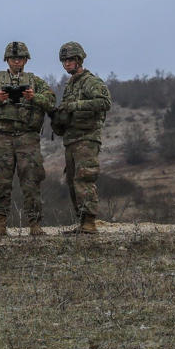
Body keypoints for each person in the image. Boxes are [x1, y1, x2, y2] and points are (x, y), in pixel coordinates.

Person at [0, 42, 55, 237]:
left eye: (20, 58)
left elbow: (51, 102)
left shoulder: (36, 82)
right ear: (7, 60)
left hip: (28, 137)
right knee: (1, 182)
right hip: (3, 137)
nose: (16, 61)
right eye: (13, 58)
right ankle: (0, 224)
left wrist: (33, 97)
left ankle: (34, 224)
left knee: (31, 181)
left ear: (26, 60)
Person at [52, 41, 111, 234]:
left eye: (70, 60)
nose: (67, 64)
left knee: (83, 179)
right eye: (64, 61)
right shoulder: (71, 85)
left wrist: (74, 106)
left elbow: (104, 102)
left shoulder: (90, 81)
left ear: (78, 60)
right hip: (71, 139)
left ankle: (89, 224)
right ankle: (83, 223)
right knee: (72, 182)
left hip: (87, 138)